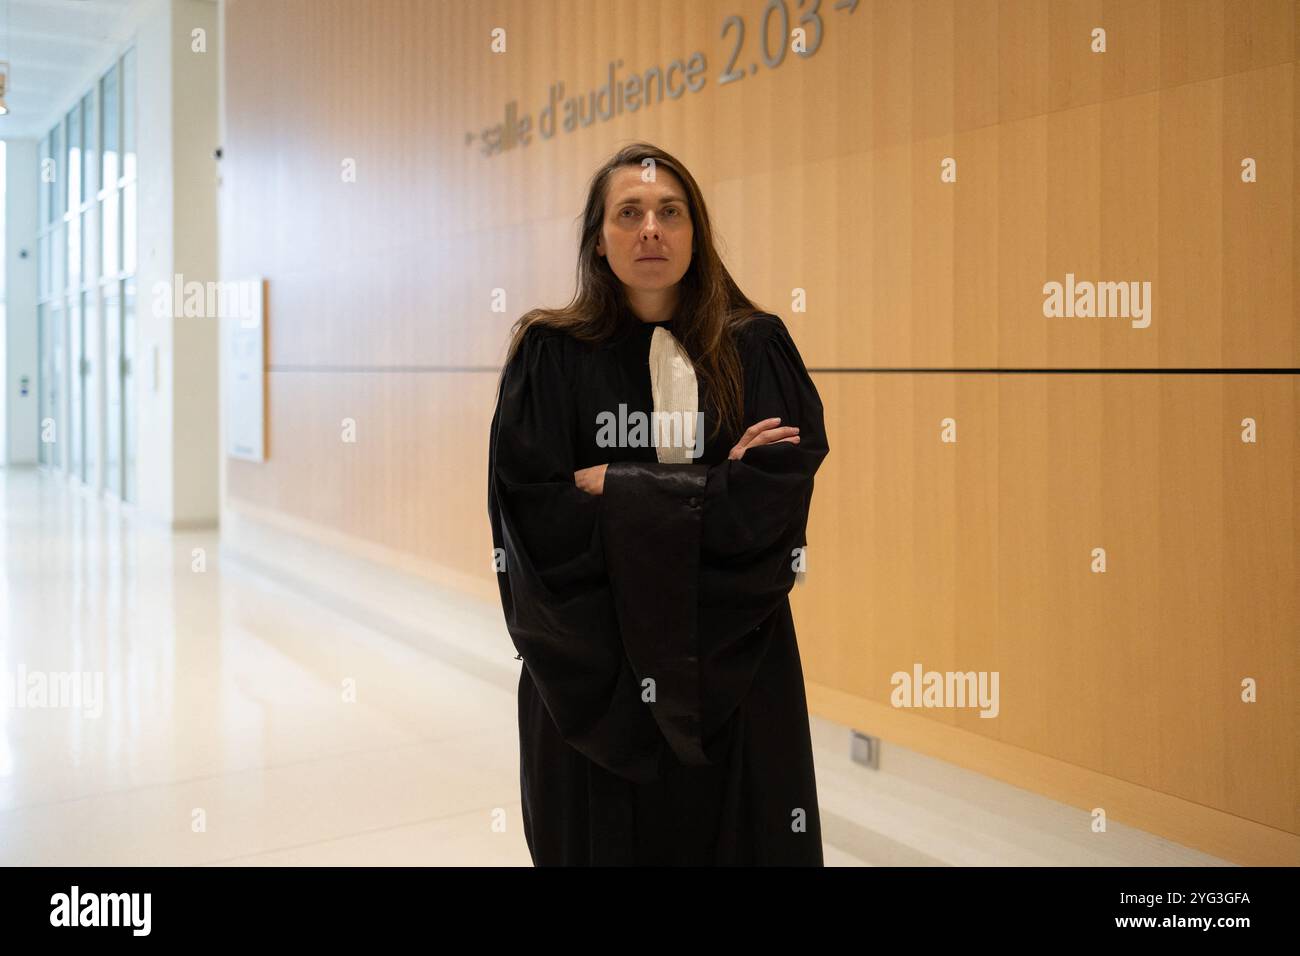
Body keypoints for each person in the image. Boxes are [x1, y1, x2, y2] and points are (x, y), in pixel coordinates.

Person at [486, 142, 829, 865]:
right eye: (630, 213)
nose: (651, 229)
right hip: (590, 673)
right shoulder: (548, 357)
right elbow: (538, 522)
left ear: (695, 232)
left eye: (670, 212)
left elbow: (767, 508)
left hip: (734, 666)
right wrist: (710, 489)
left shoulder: (756, 348)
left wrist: (617, 482)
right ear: (597, 238)